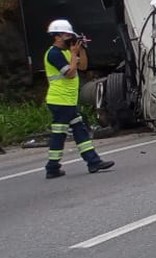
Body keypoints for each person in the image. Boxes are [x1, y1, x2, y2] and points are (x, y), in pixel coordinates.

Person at [43, 19, 113, 178]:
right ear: (57, 36)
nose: (69, 38)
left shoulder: (67, 52)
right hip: (59, 101)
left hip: (67, 101)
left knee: (75, 131)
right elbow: (70, 74)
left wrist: (80, 51)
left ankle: (91, 163)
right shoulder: (53, 54)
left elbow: (83, 67)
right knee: (63, 134)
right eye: (67, 35)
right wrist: (74, 54)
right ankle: (56, 167)